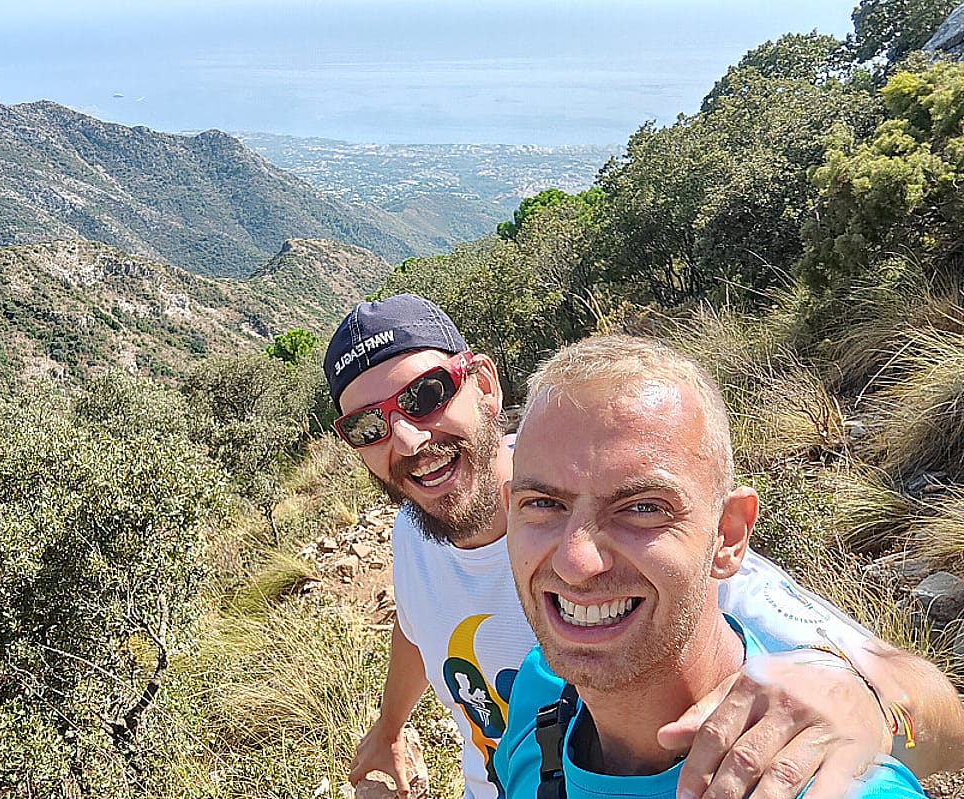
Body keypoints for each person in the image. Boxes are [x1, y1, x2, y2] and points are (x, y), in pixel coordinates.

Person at [322, 294, 964, 799]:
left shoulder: (685, 563)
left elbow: (937, 712)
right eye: (366, 424)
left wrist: (865, 701)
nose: (405, 441)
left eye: (426, 395)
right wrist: (389, 728)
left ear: (485, 386)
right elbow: (419, 626)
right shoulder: (417, 529)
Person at [495, 335, 927, 799]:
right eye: (542, 503)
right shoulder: (542, 688)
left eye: (642, 508)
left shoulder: (833, 784)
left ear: (728, 535)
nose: (576, 562)